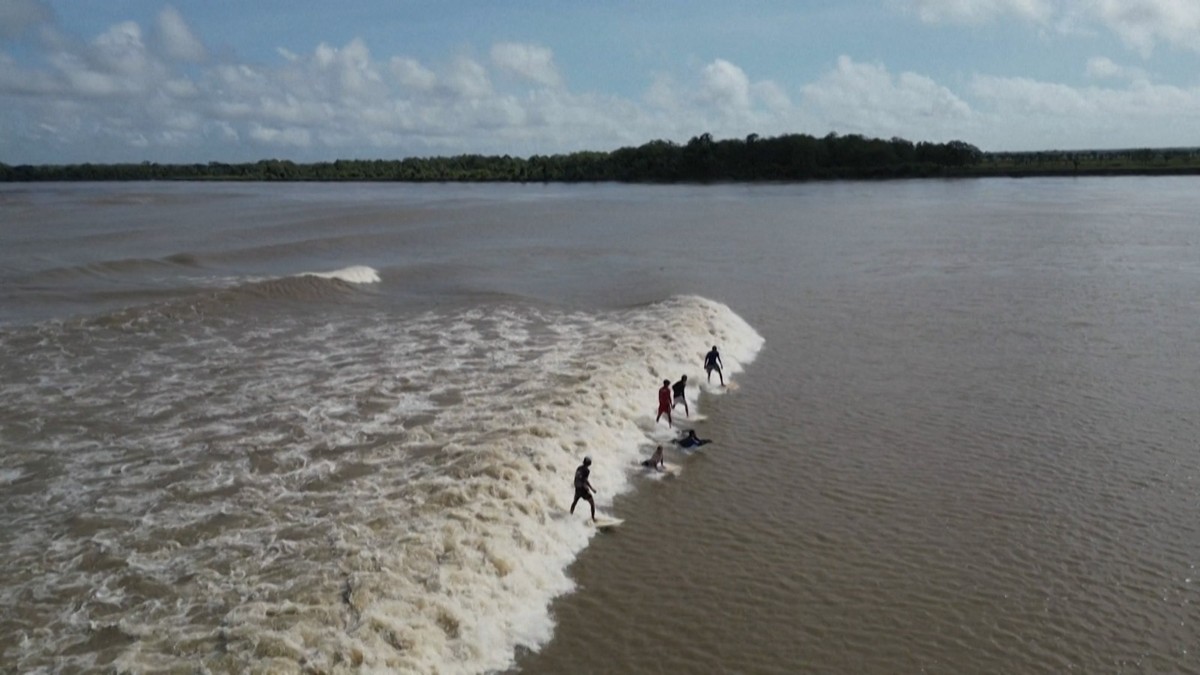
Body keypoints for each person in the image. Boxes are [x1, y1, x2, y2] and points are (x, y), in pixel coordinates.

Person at [570, 456, 596, 521]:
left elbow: (576, 478)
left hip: (577, 488)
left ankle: (570, 515)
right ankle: (593, 518)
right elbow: (585, 480)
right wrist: (592, 489)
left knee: (574, 502)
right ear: (589, 463)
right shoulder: (587, 470)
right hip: (583, 489)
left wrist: (576, 486)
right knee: (592, 503)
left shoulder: (579, 468)